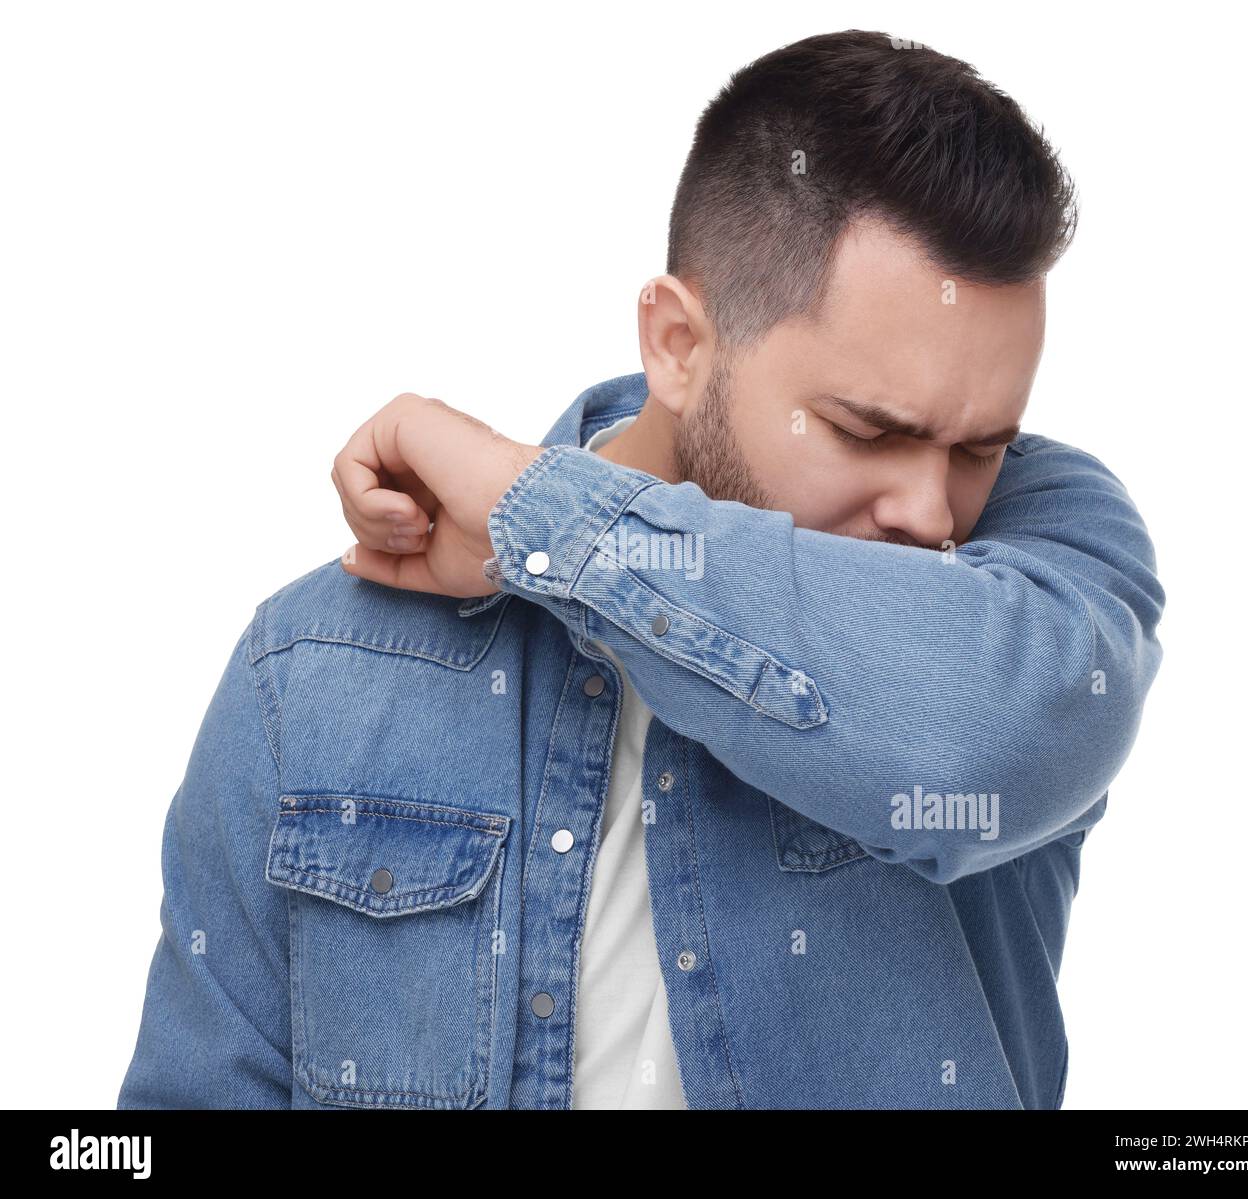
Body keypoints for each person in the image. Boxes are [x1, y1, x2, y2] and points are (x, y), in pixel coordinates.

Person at [118, 29, 1164, 1110]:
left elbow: (974, 747)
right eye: (866, 430)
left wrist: (542, 518)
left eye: (981, 445)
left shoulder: (1049, 549)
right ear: (675, 343)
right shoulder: (317, 665)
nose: (931, 510)